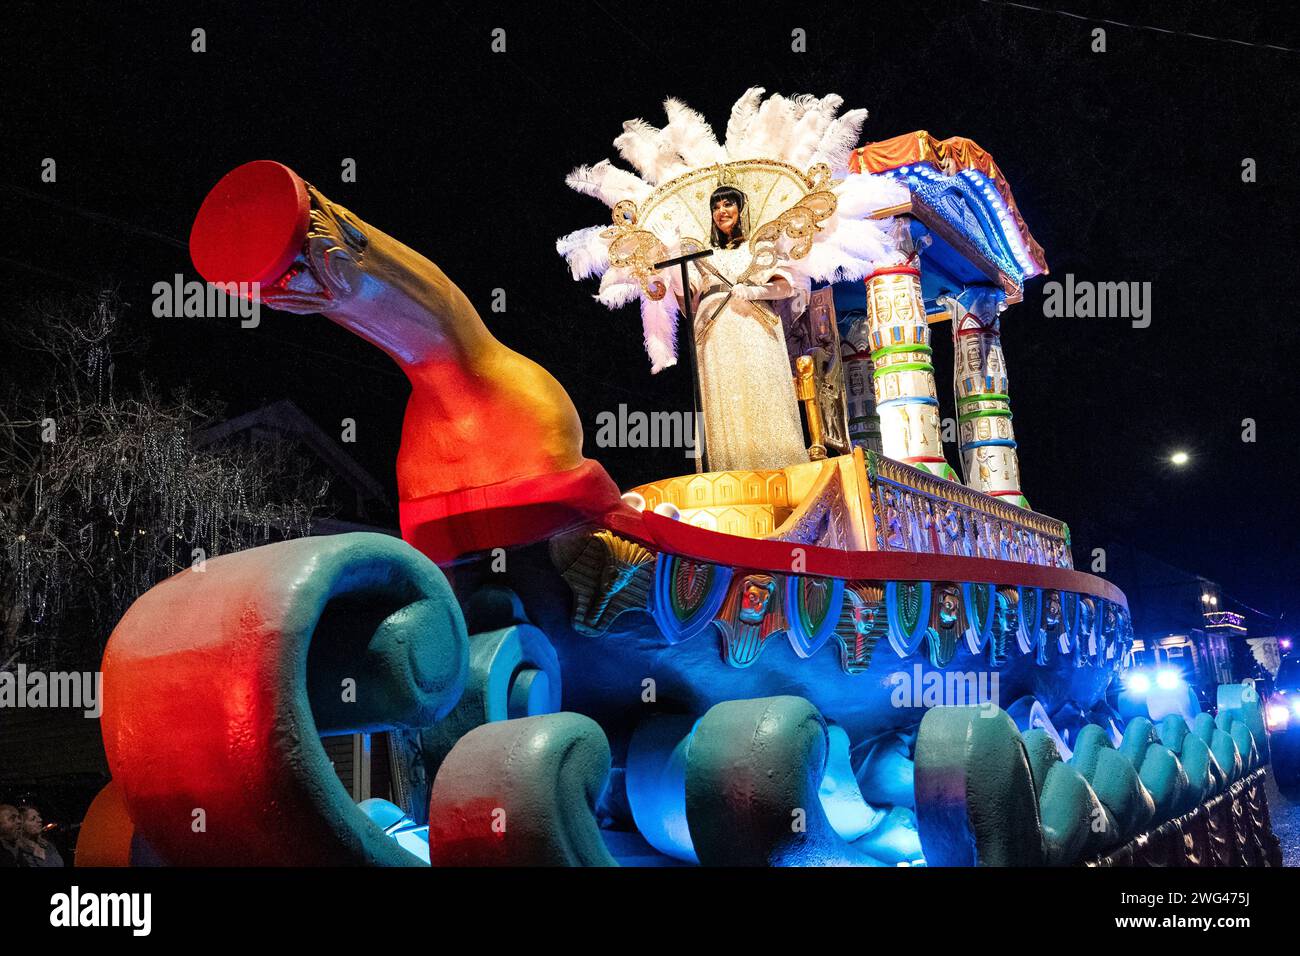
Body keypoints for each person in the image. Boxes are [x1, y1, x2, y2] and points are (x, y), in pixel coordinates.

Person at [688, 184, 810, 473]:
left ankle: (779, 470)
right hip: (715, 335)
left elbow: (784, 287)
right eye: (716, 207)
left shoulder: (759, 247)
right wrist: (672, 276)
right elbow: (688, 305)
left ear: (741, 210)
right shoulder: (704, 257)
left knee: (760, 390)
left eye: (728, 204)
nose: (721, 212)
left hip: (753, 329)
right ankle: (728, 473)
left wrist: (755, 291)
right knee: (724, 400)